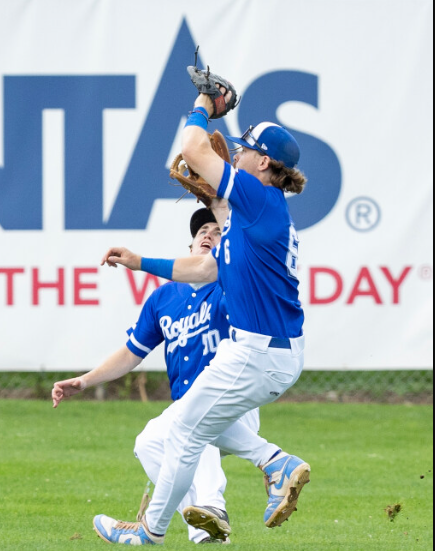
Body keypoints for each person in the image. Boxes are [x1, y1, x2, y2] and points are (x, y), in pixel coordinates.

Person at [93, 83, 311, 547]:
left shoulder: (257, 199)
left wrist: (203, 105)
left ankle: (150, 533)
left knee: (185, 433)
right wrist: (139, 262)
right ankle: (274, 463)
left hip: (257, 353)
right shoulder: (251, 217)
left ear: (264, 163)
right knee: (181, 429)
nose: (237, 154)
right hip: (269, 352)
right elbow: (206, 266)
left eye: (246, 150)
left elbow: (193, 146)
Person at [52, 202, 258, 544]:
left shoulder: (231, 282)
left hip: (236, 398)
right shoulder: (164, 298)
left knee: (196, 422)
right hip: (191, 404)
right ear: (189, 250)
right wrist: (85, 380)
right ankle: (205, 531)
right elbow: (132, 353)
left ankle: (212, 506)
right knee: (148, 443)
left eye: (217, 231)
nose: (208, 234)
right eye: (201, 232)